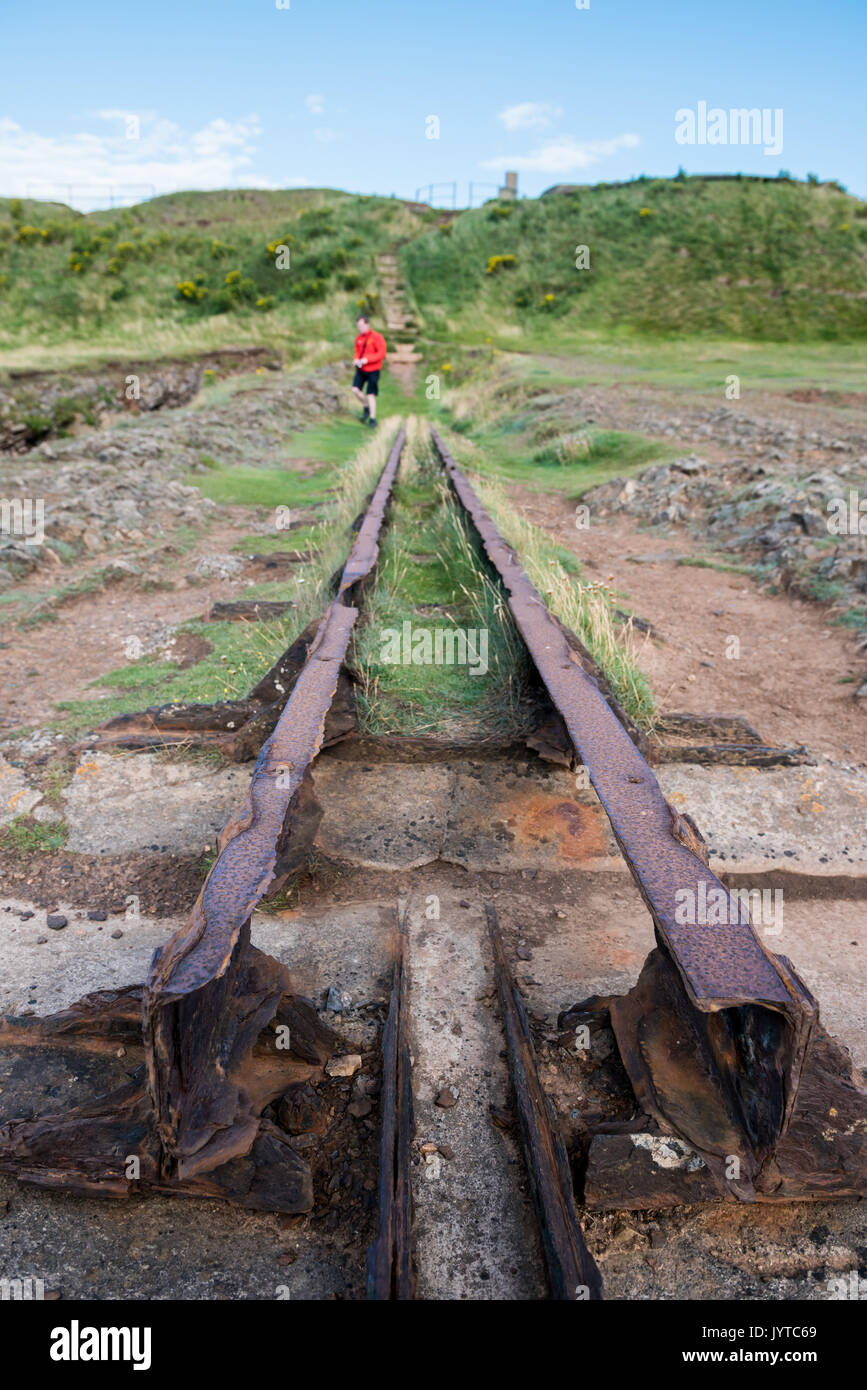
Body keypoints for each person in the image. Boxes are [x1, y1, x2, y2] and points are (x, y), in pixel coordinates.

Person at [351, 313, 387, 427]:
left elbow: (381, 353)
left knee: (370, 394)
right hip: (361, 369)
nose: (359, 328)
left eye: (361, 326)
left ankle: (372, 418)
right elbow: (357, 352)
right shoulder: (358, 339)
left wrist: (368, 360)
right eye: (358, 326)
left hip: (373, 370)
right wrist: (356, 360)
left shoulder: (377, 337)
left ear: (367, 324)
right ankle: (366, 407)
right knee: (355, 390)